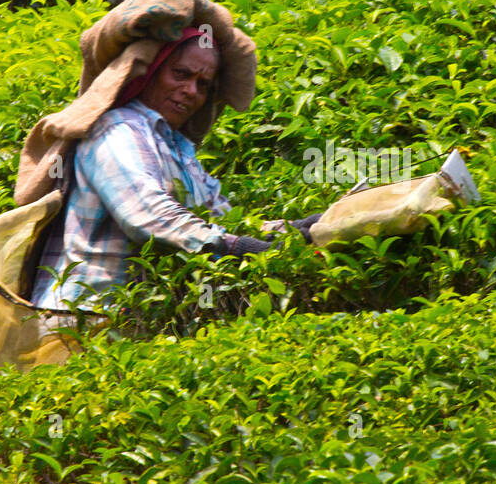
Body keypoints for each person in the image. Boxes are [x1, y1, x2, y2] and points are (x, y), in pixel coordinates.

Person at [30, 25, 321, 312]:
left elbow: (218, 220)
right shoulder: (117, 130)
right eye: (181, 74)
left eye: (203, 84)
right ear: (151, 71)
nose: (191, 91)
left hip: (132, 326)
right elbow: (147, 215)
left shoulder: (178, 149)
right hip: (80, 319)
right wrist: (236, 247)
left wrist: (292, 231)